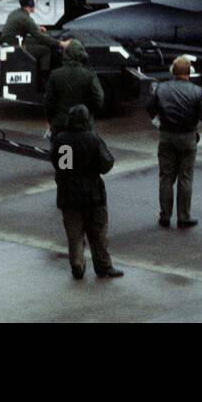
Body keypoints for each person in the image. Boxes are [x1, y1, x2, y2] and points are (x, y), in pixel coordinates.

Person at [51, 104, 123, 280]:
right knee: (98, 233)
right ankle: (103, 266)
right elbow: (106, 164)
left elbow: (61, 166)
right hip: (93, 193)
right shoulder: (93, 139)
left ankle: (77, 264)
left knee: (74, 234)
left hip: (69, 194)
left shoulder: (62, 139)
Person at [146, 55, 202, 229]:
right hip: (188, 137)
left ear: (172, 72)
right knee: (185, 177)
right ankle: (183, 217)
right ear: (189, 72)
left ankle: (165, 216)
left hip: (166, 135)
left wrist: (159, 120)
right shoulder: (197, 91)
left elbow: (150, 107)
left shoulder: (160, 88)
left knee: (166, 176)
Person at [0, 0, 70, 80]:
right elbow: (40, 36)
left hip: (12, 41)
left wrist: (37, 28)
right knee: (45, 50)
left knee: (41, 42)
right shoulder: (24, 18)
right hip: (15, 46)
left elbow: (29, 25)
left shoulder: (17, 12)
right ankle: (43, 80)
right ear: (31, 4)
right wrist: (60, 43)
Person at [43, 39, 105, 134]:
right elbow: (99, 98)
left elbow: (49, 101)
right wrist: (89, 113)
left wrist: (49, 119)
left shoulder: (55, 74)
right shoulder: (89, 74)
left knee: (61, 148)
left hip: (60, 123)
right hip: (83, 123)